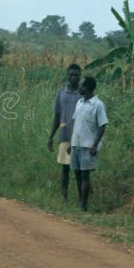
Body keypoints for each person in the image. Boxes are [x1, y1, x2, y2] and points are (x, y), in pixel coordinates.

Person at [68, 76, 108, 211]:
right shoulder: (79, 102)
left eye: (82, 85)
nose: (79, 87)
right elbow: (75, 123)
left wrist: (95, 145)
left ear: (88, 88)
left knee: (85, 175)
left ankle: (83, 204)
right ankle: (81, 201)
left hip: (88, 145)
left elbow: (102, 126)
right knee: (77, 174)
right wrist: (70, 143)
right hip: (76, 143)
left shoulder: (98, 104)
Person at [47, 64, 82, 200]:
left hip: (79, 137)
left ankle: (81, 199)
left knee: (79, 170)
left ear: (80, 76)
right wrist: (51, 136)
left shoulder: (83, 93)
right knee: (65, 168)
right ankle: (64, 197)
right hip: (65, 134)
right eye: (71, 75)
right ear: (67, 75)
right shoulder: (61, 93)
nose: (73, 77)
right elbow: (57, 115)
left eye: (76, 75)